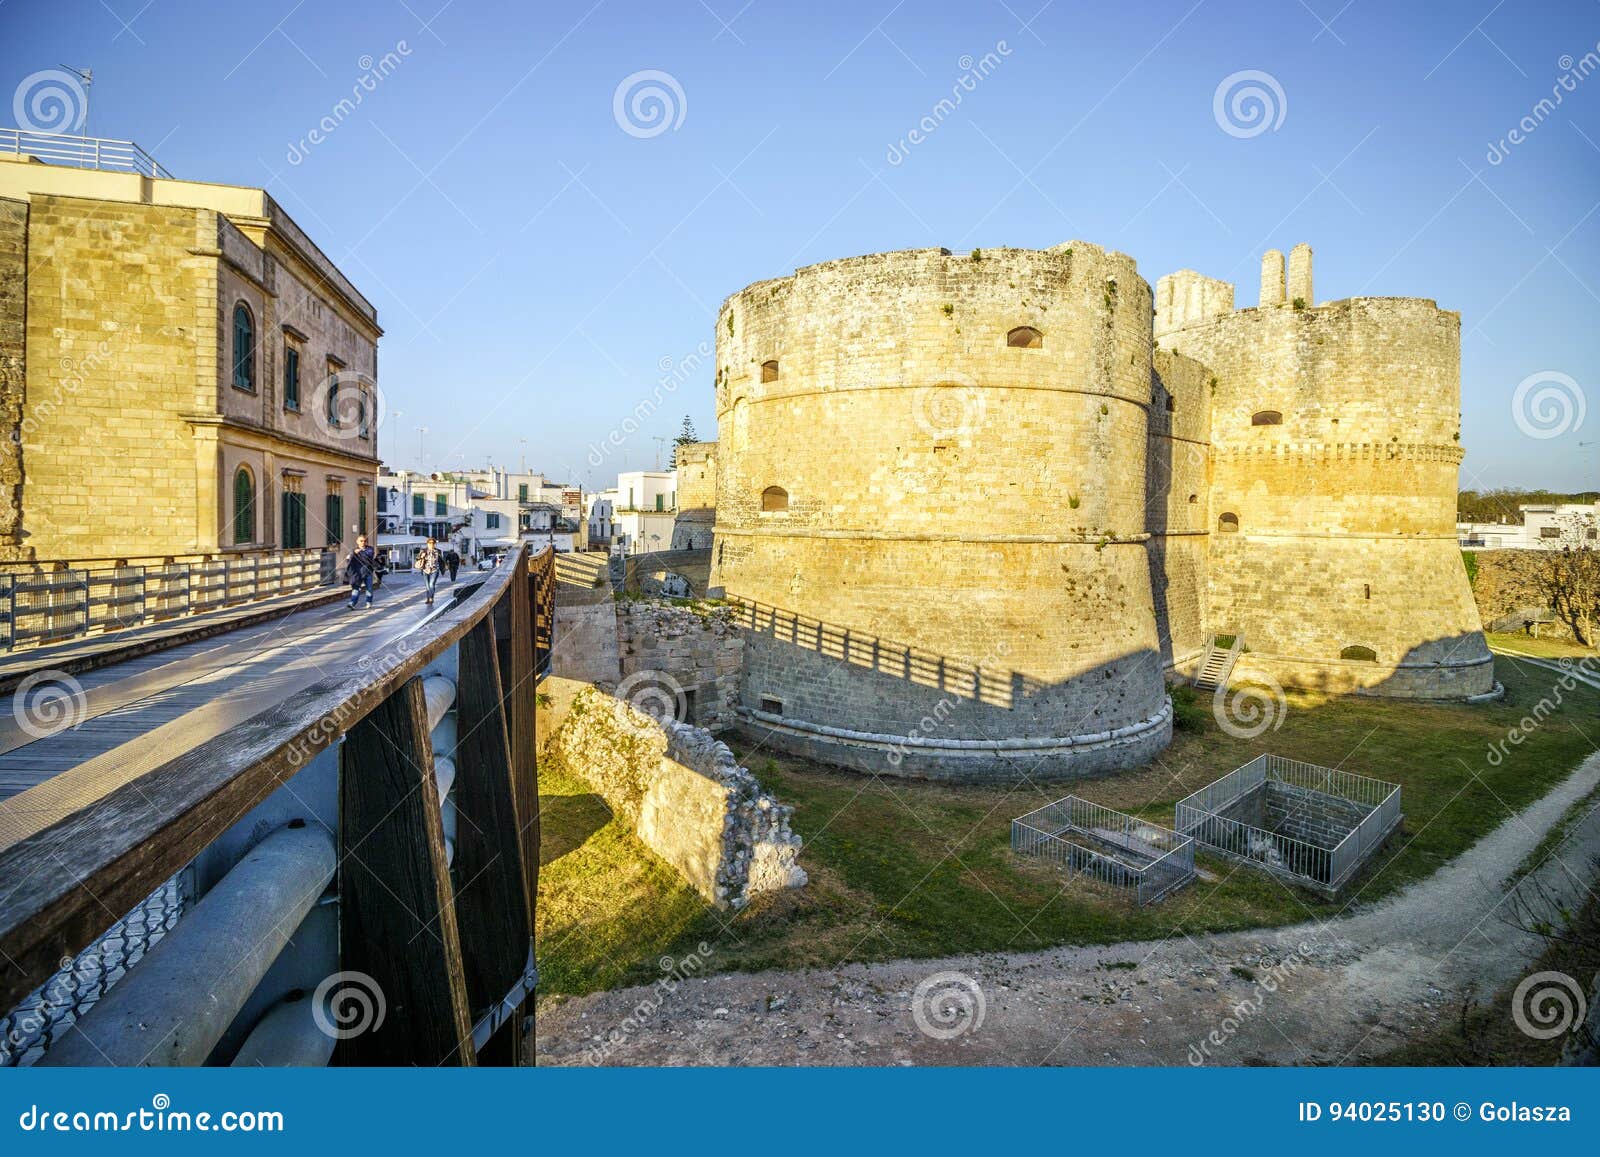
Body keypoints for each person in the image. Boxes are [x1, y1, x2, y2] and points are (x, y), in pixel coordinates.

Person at [345, 534, 379, 609]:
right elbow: (349, 560)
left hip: (367, 572)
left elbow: (368, 556)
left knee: (369, 588)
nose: (363, 542)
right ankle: (352, 603)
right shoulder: (354, 550)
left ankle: (368, 602)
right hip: (357, 573)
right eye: (361, 541)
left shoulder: (370, 549)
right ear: (357, 542)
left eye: (365, 541)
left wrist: (356, 553)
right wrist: (352, 555)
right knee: (356, 589)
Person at [414, 536, 443, 606]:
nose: (431, 544)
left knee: (431, 585)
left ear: (435, 544)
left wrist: (443, 568)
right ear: (427, 543)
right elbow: (417, 558)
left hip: (434, 570)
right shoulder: (423, 551)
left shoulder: (438, 551)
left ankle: (431, 598)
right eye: (429, 543)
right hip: (425, 570)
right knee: (427, 586)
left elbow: (441, 560)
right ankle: (428, 598)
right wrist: (421, 556)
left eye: (433, 543)